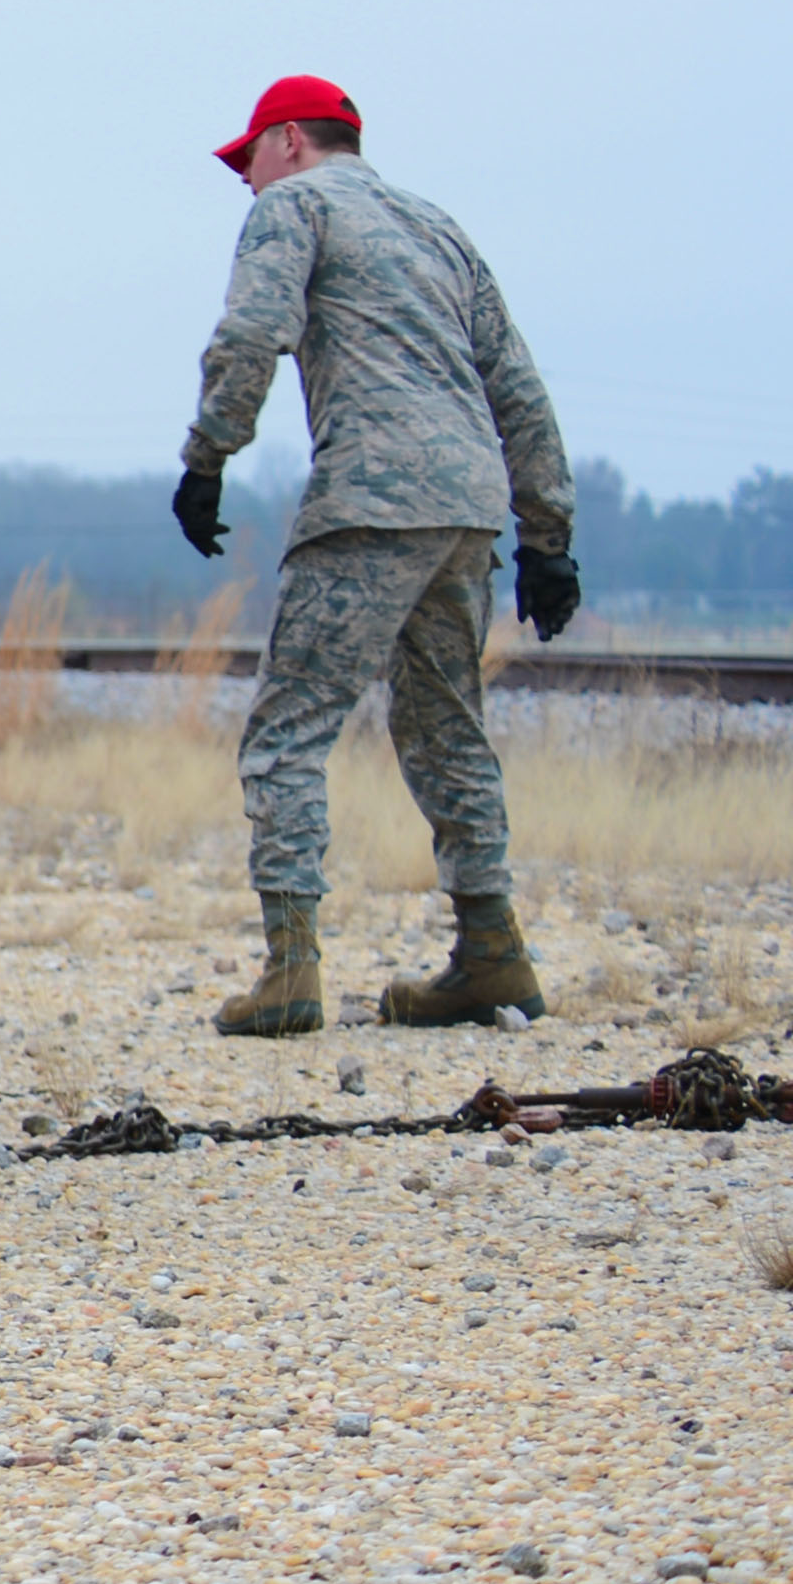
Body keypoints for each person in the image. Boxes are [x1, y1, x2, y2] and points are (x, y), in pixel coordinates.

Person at [172, 75, 581, 1038]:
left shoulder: (294, 207)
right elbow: (517, 385)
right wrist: (547, 538)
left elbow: (251, 332)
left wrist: (206, 460)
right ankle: (493, 953)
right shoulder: (438, 227)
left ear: (286, 142)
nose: (248, 184)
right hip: (468, 509)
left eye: (250, 162)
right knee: (448, 729)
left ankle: (291, 971)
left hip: (370, 499)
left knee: (288, 730)